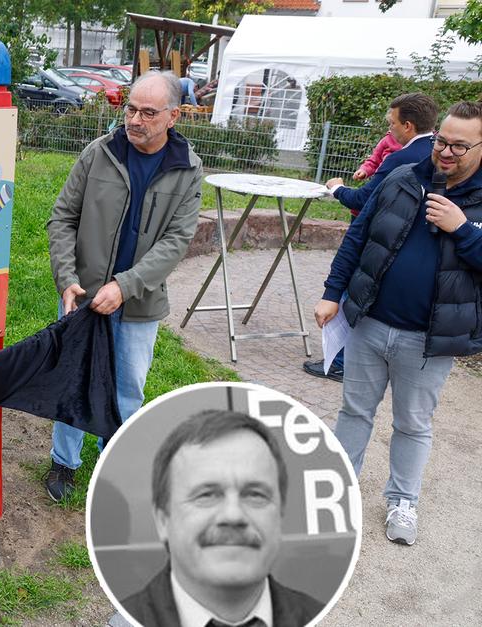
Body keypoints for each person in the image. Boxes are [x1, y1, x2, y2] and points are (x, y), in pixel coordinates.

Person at [314, 101, 482, 545]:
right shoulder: (402, 178)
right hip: (369, 323)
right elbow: (358, 235)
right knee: (354, 411)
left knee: (412, 424)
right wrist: (333, 293)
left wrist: (463, 229)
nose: (446, 152)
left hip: (430, 340)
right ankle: (337, 490)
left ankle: (402, 501)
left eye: (459, 146)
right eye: (442, 141)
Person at [43, 70, 202, 501]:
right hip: (84, 296)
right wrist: (68, 280)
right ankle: (64, 462)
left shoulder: (187, 169)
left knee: (128, 387)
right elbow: (62, 218)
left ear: (173, 116)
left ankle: (116, 458)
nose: (135, 119)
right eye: (131, 108)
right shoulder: (98, 154)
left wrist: (126, 286)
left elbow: (176, 242)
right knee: (74, 380)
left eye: (148, 113)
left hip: (139, 303)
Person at [119, 410, 324, 627]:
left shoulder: (313, 614)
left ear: (280, 514)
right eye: (206, 495)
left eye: (255, 494)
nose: (233, 515)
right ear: (162, 521)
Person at [306, 93, 438, 383]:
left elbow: (365, 199)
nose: (388, 130)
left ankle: (339, 360)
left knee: (355, 291)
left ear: (408, 125)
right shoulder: (436, 150)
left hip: (381, 240)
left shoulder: (404, 158)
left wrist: (337, 188)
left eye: (392, 124)